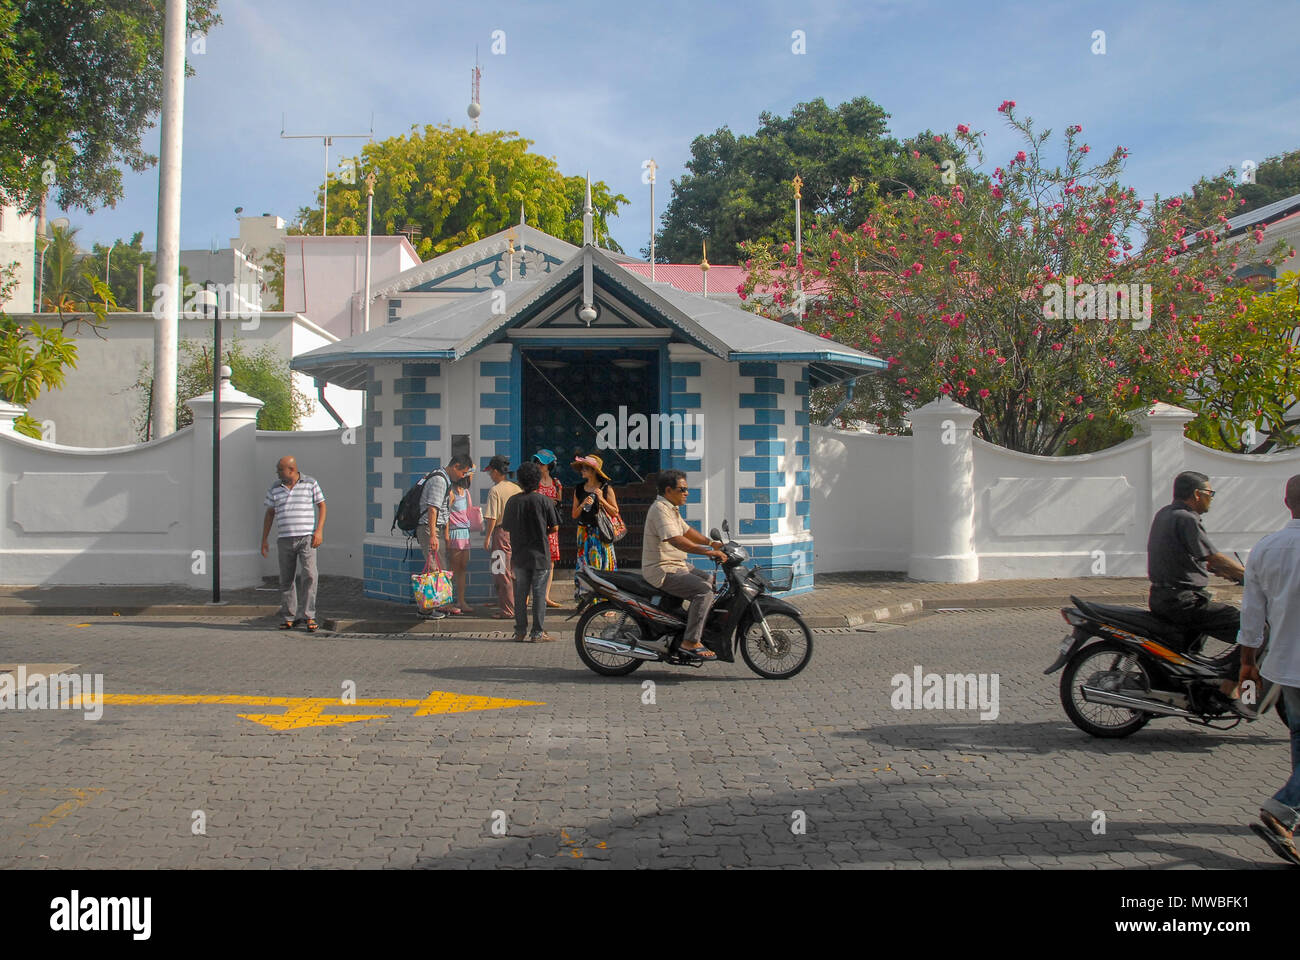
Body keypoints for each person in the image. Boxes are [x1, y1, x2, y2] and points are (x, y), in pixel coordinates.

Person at [1147, 470, 1249, 714]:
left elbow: (1206, 561)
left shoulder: (1166, 514)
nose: (1211, 498)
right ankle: (1227, 691)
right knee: (1254, 631)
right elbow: (1214, 558)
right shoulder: (1187, 518)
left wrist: (1226, 571)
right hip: (1182, 601)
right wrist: (1250, 576)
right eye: (1209, 493)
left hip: (1164, 597)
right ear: (1196, 494)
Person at [1238, 474, 1300, 866]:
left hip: (1285, 665)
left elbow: (1252, 616)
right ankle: (1282, 807)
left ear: (1286, 501)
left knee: (1299, 739)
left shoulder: (1265, 547)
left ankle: (1291, 817)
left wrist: (1247, 663)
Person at [641, 469, 727, 659]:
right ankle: (690, 641)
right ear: (669, 490)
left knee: (709, 578)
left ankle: (690, 623)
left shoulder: (671, 508)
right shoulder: (660, 509)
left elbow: (686, 531)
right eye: (683, 489)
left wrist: (711, 542)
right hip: (662, 569)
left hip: (676, 564)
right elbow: (676, 540)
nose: (687, 493)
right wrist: (708, 551)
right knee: (704, 591)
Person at [260, 455, 326, 633]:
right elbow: (270, 513)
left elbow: (322, 505)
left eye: (280, 469)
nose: (277, 472)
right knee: (286, 579)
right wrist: (264, 539)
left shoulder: (310, 483)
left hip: (306, 538)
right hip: (285, 538)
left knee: (310, 575)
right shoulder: (275, 488)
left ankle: (309, 615)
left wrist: (318, 531)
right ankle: (289, 616)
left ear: (291, 469)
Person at [501, 461, 560, 643]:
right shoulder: (544, 500)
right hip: (540, 554)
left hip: (519, 554)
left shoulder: (513, 501)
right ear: (537, 480)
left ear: (520, 480)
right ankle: (537, 633)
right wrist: (543, 532)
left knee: (520, 594)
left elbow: (507, 527)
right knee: (539, 595)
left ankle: (520, 631)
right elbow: (555, 527)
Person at [417, 453, 472, 620]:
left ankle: (439, 605)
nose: (463, 476)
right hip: (430, 528)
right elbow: (433, 508)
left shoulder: (445, 480)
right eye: (463, 472)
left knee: (439, 567)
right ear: (455, 466)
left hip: (436, 529)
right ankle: (427, 610)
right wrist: (433, 535)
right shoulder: (440, 481)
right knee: (434, 568)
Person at [482, 455, 521, 620]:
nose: (490, 475)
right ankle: (517, 604)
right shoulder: (517, 488)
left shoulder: (495, 491)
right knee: (514, 571)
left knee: (500, 571)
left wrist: (487, 537)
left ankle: (507, 609)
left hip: (501, 533)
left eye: (491, 471)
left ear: (496, 471)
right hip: (518, 533)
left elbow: (492, 517)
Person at [571, 454, 618, 579]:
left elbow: (615, 512)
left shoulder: (605, 488)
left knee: (602, 564)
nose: (582, 471)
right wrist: (583, 504)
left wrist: (601, 498)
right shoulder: (579, 488)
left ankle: (604, 594)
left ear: (593, 471)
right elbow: (574, 514)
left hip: (600, 532)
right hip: (584, 532)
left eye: (585, 469)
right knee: (584, 564)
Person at [532, 449, 563, 608]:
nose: (539, 465)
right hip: (537, 525)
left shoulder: (556, 483)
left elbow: (559, 503)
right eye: (537, 462)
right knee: (535, 560)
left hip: (551, 525)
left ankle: (546, 595)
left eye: (542, 463)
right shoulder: (533, 482)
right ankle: (530, 595)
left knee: (550, 562)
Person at [443, 470, 475, 616]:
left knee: (462, 567)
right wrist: (447, 536)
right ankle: (447, 601)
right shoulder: (451, 493)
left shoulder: (466, 493)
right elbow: (446, 514)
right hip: (455, 533)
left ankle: (461, 600)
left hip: (465, 533)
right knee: (452, 569)